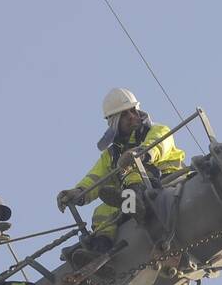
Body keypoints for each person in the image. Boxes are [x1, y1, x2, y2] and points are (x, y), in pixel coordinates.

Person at [56, 88, 187, 266]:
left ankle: (135, 203)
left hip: (167, 182)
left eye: (133, 110)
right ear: (115, 121)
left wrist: (140, 154)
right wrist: (78, 192)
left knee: (132, 170)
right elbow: (96, 178)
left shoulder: (155, 130)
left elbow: (159, 145)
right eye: (125, 115)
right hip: (131, 197)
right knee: (102, 211)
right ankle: (100, 252)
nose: (132, 116)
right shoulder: (112, 154)